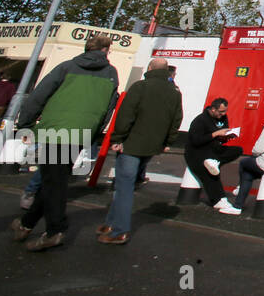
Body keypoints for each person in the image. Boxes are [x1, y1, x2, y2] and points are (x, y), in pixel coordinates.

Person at [12, 35, 120, 252]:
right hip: (82, 132)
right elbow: (109, 107)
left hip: (56, 129)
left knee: (54, 180)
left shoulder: (67, 67)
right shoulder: (111, 74)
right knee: (54, 178)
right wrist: (94, 133)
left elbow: (39, 94)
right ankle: (27, 223)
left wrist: (25, 123)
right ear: (105, 50)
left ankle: (55, 230)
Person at [97, 57, 183, 245]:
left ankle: (120, 230)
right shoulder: (175, 92)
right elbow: (176, 119)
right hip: (153, 146)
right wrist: (167, 141)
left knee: (124, 187)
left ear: (150, 68)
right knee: (125, 184)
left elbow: (126, 115)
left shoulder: (140, 87)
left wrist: (117, 138)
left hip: (132, 143)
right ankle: (110, 223)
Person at [184, 98, 243, 214]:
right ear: (213, 109)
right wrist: (215, 134)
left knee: (238, 150)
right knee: (209, 173)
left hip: (214, 150)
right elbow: (196, 141)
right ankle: (219, 199)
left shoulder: (223, 118)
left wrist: (226, 136)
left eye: (225, 111)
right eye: (221, 112)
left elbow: (222, 136)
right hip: (198, 151)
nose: (223, 114)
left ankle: (215, 161)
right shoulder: (200, 120)